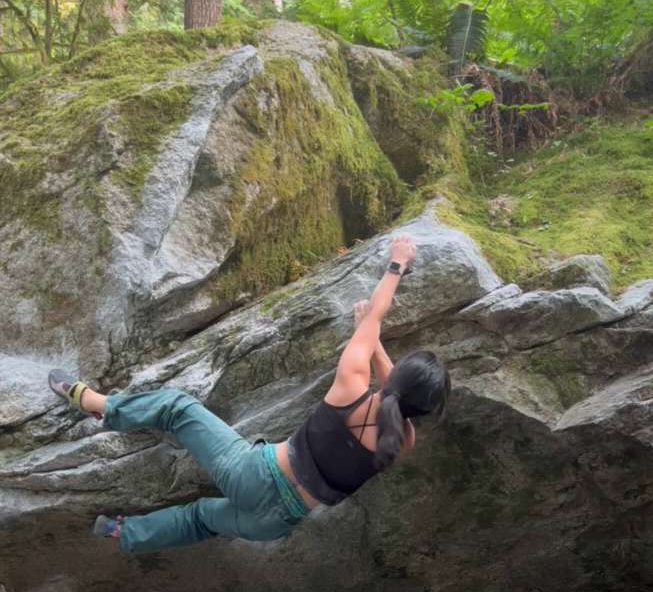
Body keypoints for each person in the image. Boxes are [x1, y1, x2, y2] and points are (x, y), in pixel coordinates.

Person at [48, 234, 450, 555]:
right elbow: (394, 392)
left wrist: (396, 265)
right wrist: (373, 339)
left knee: (177, 407)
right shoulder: (404, 441)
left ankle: (98, 405)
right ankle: (124, 532)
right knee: (199, 520)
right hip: (273, 524)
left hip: (254, 476)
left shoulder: (350, 386)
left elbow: (377, 314)